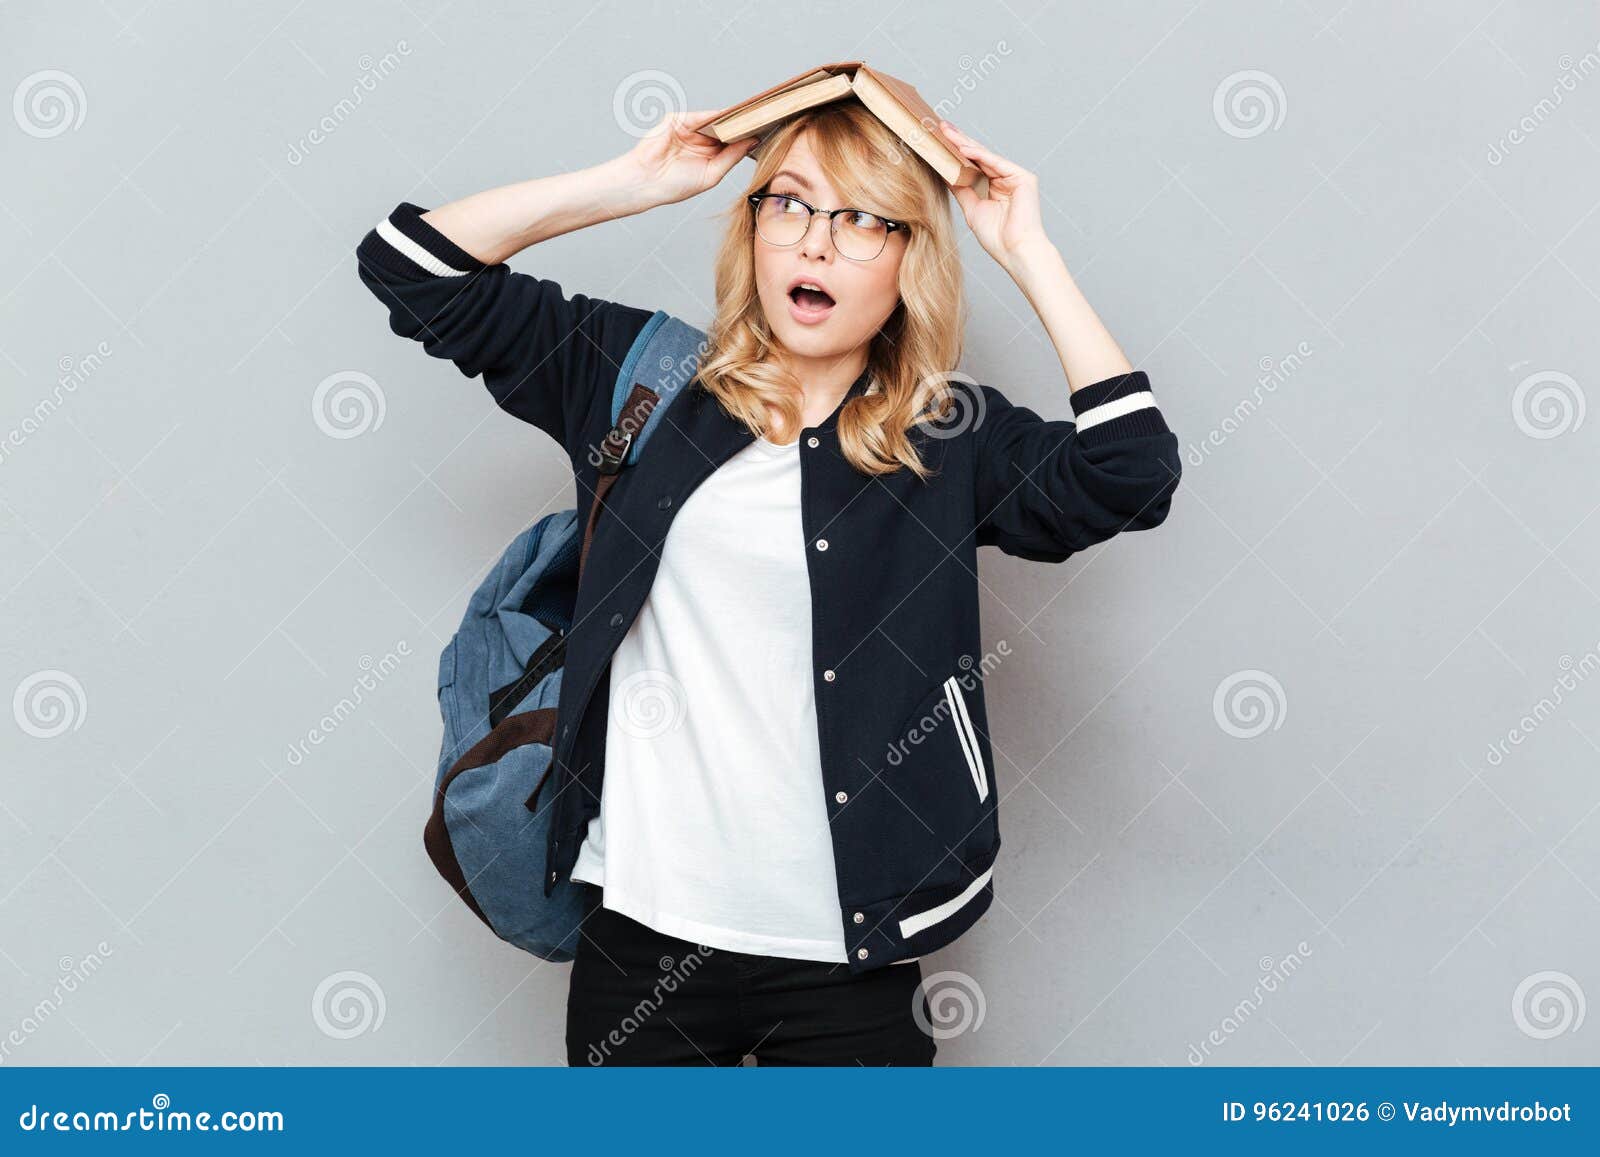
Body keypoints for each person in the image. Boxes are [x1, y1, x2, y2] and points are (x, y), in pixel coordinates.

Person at [356, 99, 1181, 1065]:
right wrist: (634, 184)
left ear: (911, 260)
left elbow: (1130, 473)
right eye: (788, 205)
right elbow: (412, 269)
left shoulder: (944, 437)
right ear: (752, 233)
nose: (816, 245)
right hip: (643, 937)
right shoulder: (644, 383)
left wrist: (1027, 249)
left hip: (850, 957)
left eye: (863, 219)